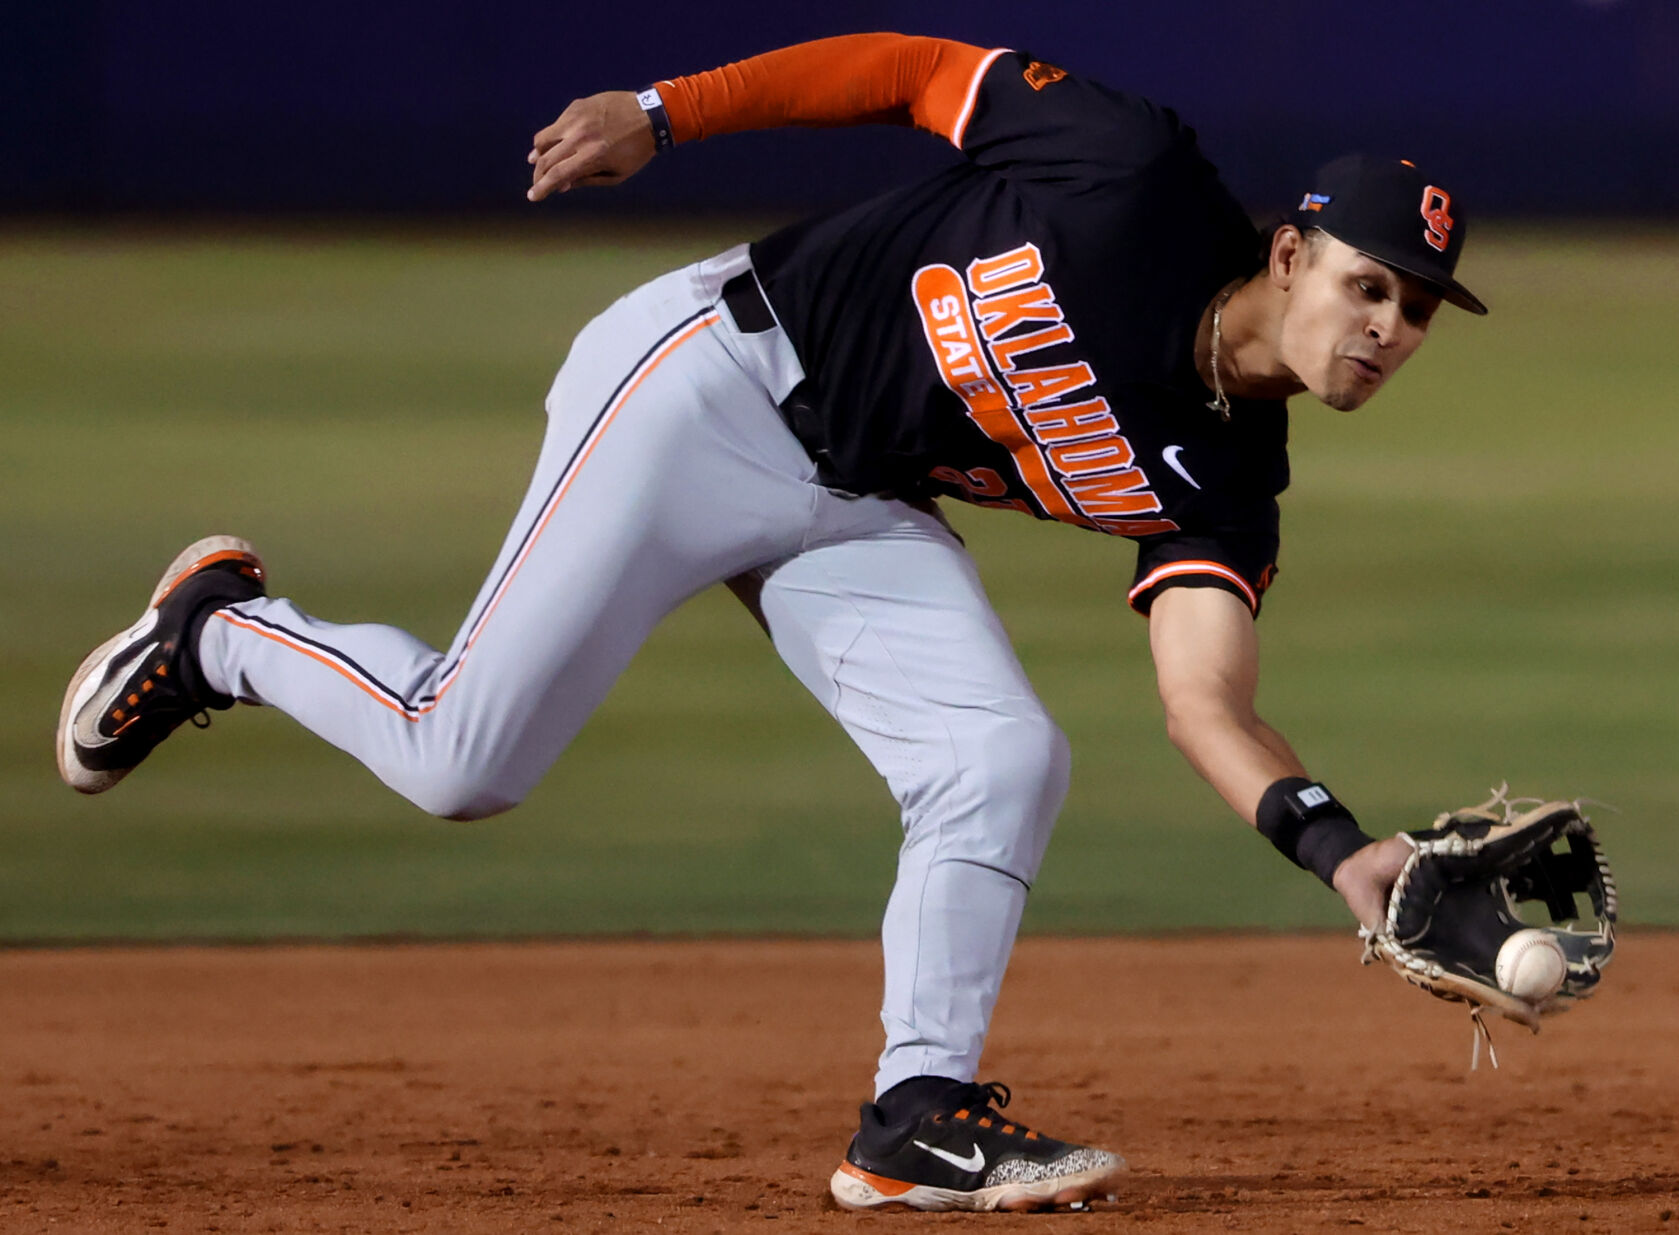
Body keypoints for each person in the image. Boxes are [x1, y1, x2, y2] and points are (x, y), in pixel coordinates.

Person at [57, 33, 1488, 1213]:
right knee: (460, 765)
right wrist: (664, 117)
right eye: (1369, 284)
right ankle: (221, 631)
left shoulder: (1232, 478)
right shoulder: (1132, 173)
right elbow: (903, 69)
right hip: (710, 387)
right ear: (1294, 254)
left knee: (1002, 756)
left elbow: (1206, 704)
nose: (1386, 330)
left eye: (1417, 313)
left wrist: (1343, 851)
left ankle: (912, 1117)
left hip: (852, 503)